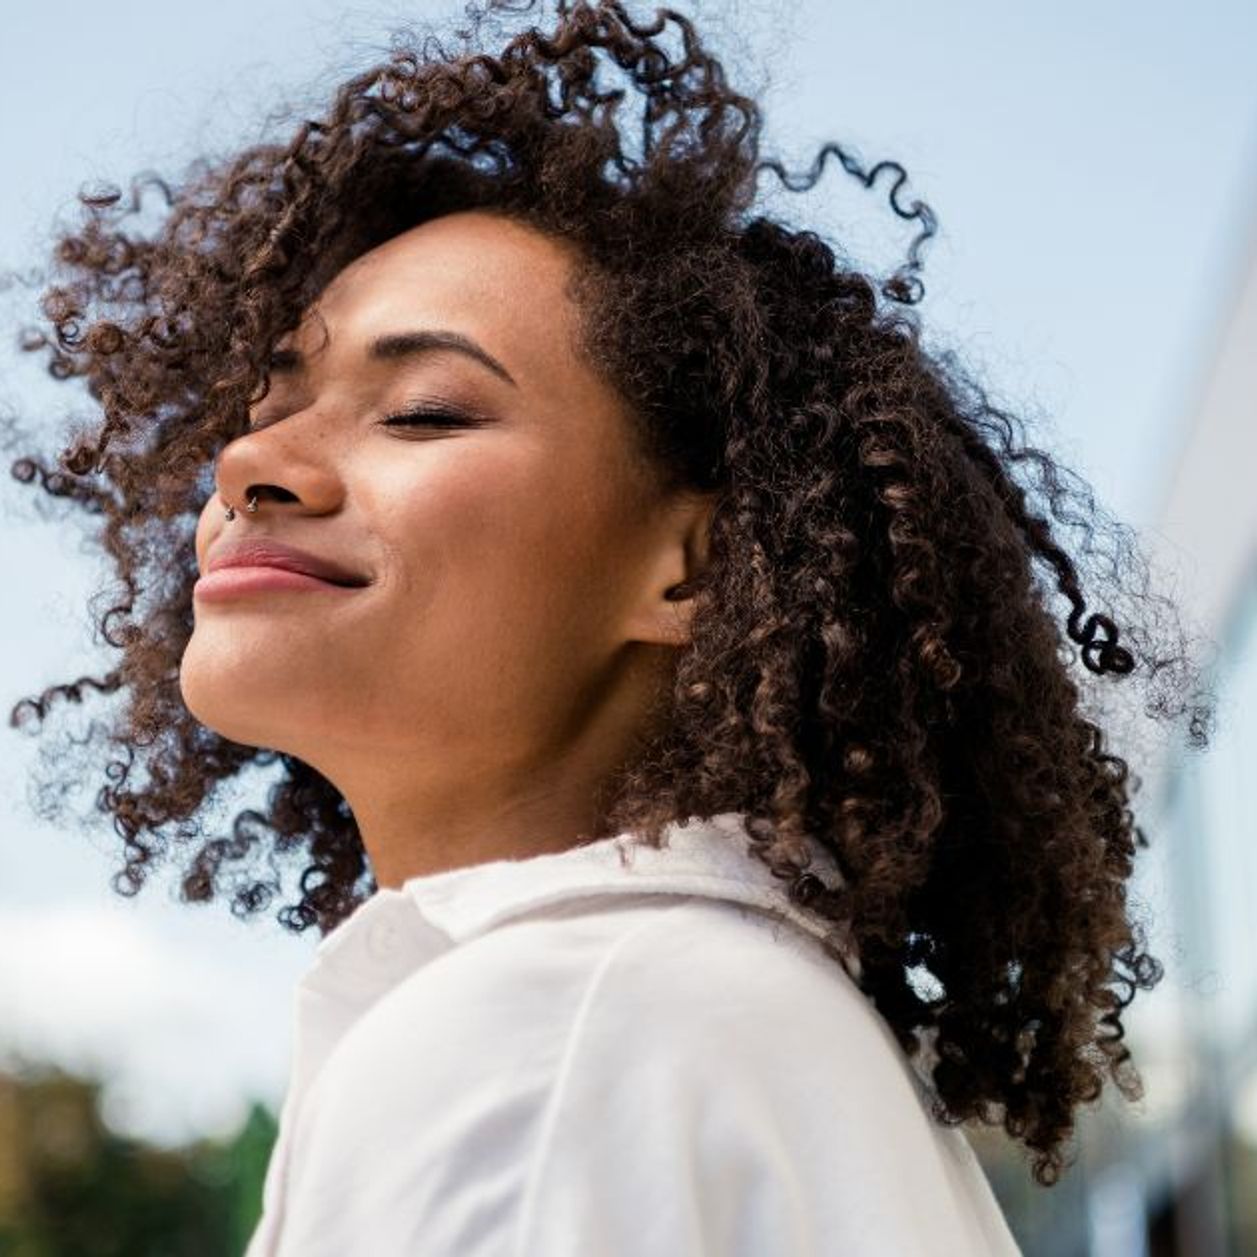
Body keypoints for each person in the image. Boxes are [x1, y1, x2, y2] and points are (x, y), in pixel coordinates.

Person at [8, 0, 1210, 1252]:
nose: (252, 462)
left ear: (692, 570)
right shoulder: (718, 1025)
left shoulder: (544, 1044)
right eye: (267, 404)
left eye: (422, 409)